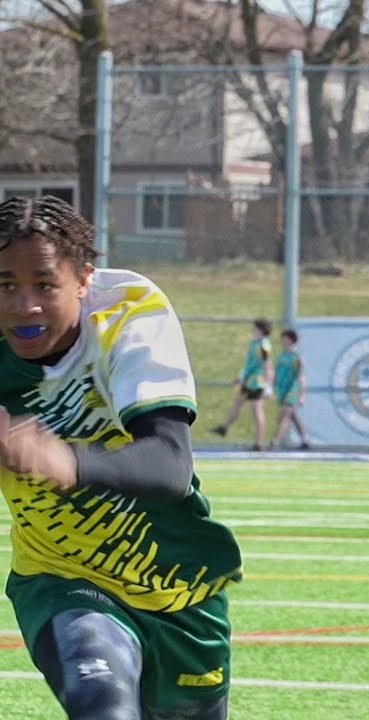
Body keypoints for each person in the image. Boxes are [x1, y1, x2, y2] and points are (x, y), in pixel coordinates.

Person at [0, 195, 243, 719]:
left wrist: (65, 461)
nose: (24, 306)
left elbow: (169, 465)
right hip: (60, 575)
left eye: (44, 284)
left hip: (176, 584)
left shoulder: (126, 313)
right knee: (100, 700)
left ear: (83, 280)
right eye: (5, 286)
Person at [212, 317, 273, 450]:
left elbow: (267, 364)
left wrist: (268, 387)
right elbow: (250, 363)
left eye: (255, 327)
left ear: (261, 330)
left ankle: (259, 443)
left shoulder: (264, 344)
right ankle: (224, 428)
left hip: (257, 382)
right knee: (237, 404)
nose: (252, 329)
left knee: (257, 412)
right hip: (248, 381)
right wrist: (241, 376)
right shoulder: (253, 343)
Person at [270, 328, 311, 450]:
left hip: (292, 389)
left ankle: (275, 441)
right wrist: (272, 387)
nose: (283, 341)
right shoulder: (281, 356)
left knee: (284, 414)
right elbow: (276, 373)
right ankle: (305, 438)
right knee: (292, 415)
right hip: (282, 389)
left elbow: (300, 377)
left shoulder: (296, 357)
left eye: (286, 339)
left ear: (292, 341)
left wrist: (302, 395)